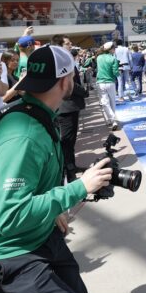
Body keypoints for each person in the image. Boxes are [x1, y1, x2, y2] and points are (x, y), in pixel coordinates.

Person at [0, 46, 115, 293]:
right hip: (1, 252)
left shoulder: (38, 114)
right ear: (64, 80)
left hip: (34, 238)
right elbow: (12, 216)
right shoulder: (24, 134)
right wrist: (79, 188)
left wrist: (53, 208)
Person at [52, 35, 88, 182]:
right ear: (60, 46)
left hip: (71, 106)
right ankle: (69, 171)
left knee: (71, 140)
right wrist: (84, 92)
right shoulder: (61, 61)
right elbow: (69, 85)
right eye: (67, 43)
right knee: (66, 140)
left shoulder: (66, 60)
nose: (71, 45)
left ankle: (71, 165)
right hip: (66, 106)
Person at [96, 42, 120, 130]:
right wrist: (118, 72)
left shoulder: (99, 57)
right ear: (110, 49)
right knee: (112, 102)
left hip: (100, 82)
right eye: (114, 48)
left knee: (105, 102)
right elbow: (115, 72)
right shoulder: (113, 58)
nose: (115, 50)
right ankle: (113, 120)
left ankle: (110, 119)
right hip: (110, 82)